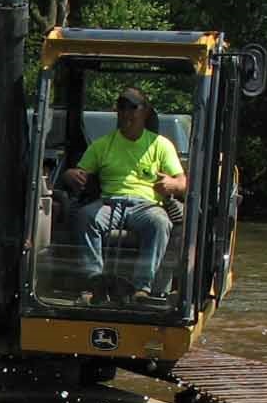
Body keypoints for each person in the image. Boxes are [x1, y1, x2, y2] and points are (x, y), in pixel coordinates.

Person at [61, 86, 187, 296]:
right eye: (122, 107)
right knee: (85, 216)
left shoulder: (161, 145)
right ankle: (94, 280)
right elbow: (76, 173)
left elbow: (182, 182)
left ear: (145, 112)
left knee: (160, 222)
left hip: (147, 206)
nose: (126, 113)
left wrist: (173, 185)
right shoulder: (102, 145)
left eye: (132, 108)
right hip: (110, 203)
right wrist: (70, 175)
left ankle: (142, 287)